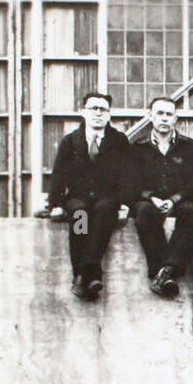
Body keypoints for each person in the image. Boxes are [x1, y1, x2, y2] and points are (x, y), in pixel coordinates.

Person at [47, 91, 132, 301]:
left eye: (103, 109)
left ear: (109, 115)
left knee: (104, 211)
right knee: (79, 215)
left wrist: (125, 203)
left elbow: (128, 175)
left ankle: (81, 275)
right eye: (93, 108)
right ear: (83, 112)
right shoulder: (70, 141)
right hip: (79, 197)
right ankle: (90, 274)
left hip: (106, 198)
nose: (98, 113)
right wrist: (55, 203)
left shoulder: (119, 140)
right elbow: (58, 174)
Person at [130, 95, 193, 298]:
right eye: (159, 113)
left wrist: (175, 199)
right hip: (148, 202)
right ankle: (161, 271)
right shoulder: (137, 147)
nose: (164, 118)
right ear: (150, 116)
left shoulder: (189, 146)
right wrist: (152, 198)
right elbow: (131, 183)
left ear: (175, 118)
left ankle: (167, 269)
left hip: (179, 200)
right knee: (144, 213)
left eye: (169, 114)